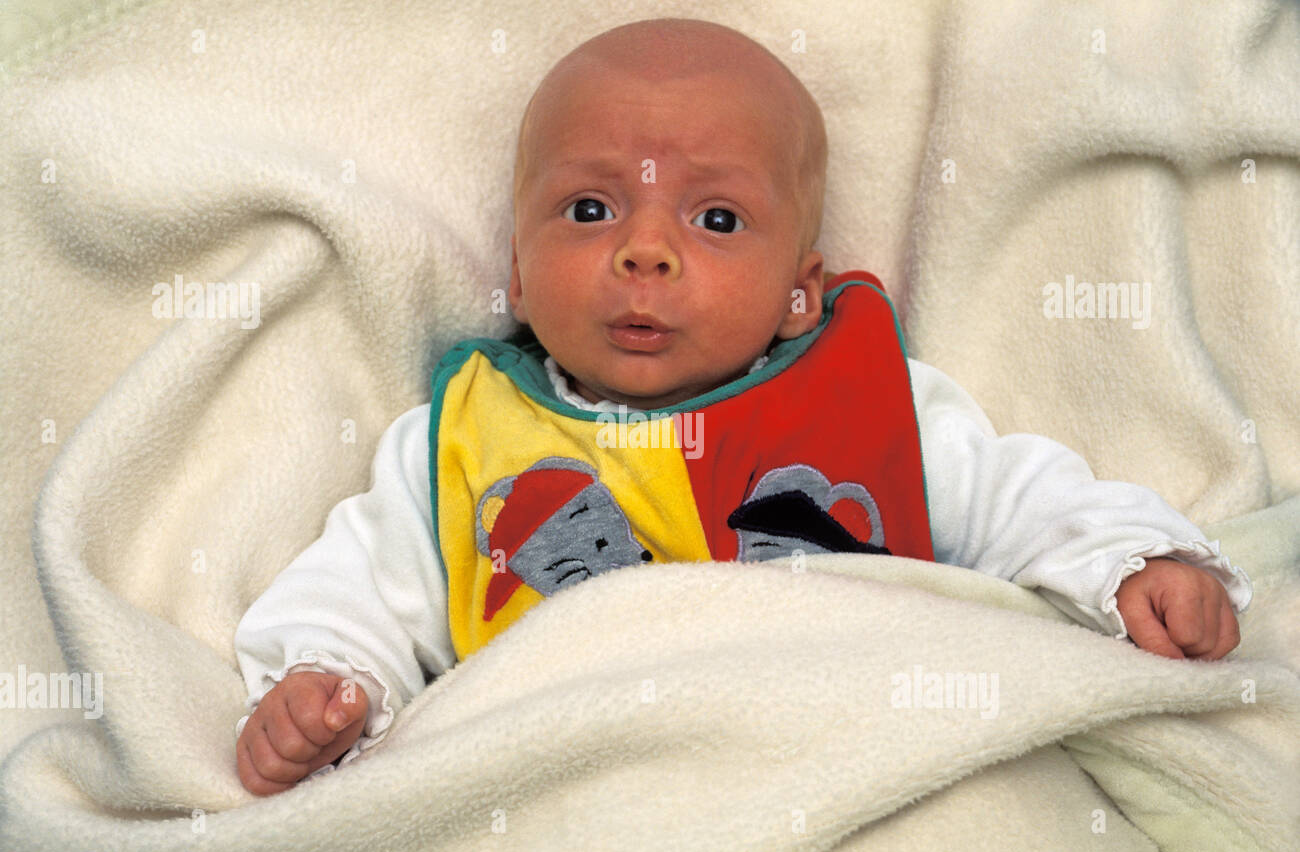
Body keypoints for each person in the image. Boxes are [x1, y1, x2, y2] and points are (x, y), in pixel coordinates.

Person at [234, 18, 1251, 795]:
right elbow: (358, 585)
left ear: (800, 291)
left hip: (852, 757)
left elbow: (1022, 496)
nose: (644, 249)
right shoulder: (464, 441)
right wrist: (326, 691)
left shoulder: (868, 408)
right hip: (580, 782)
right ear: (516, 262)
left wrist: (1130, 561)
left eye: (715, 217)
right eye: (588, 209)